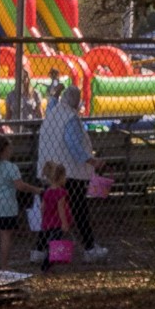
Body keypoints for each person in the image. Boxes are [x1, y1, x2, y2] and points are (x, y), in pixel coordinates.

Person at [38, 79, 107, 262]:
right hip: (69, 172)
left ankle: (39, 249)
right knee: (79, 209)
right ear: (76, 101)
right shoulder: (71, 118)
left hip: (49, 170)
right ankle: (90, 247)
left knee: (49, 211)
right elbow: (74, 145)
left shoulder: (53, 111)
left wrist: (55, 93)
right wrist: (92, 161)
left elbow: (52, 101)